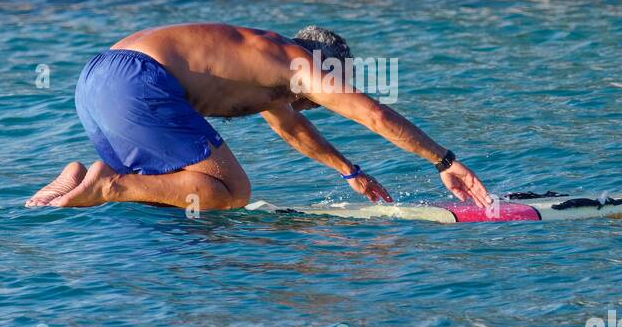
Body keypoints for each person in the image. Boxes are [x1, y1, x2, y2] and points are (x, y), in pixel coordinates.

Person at [27, 22, 492, 211]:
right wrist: (444, 161)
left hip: (95, 80)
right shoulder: (300, 66)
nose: (319, 103)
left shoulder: (263, 68)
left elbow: (290, 126)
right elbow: (371, 113)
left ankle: (88, 174)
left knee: (174, 181)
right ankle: (110, 186)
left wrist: (349, 170)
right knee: (233, 190)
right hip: (138, 80)